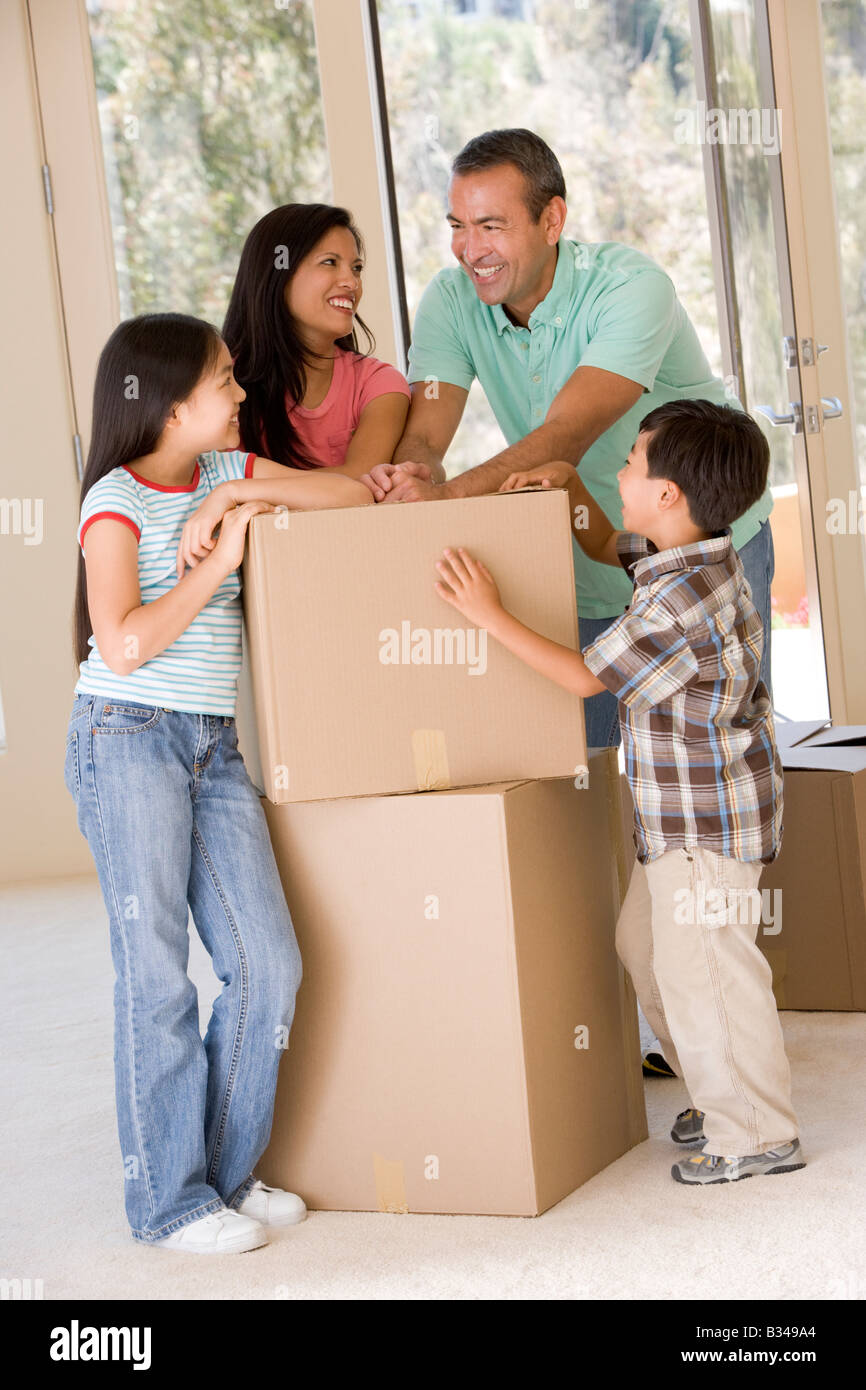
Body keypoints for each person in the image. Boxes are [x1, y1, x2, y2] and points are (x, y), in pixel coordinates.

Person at [433, 398, 804, 1184]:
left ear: (668, 495)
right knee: (648, 952)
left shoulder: (681, 603)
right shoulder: (688, 555)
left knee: (709, 975)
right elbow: (610, 543)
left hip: (707, 830)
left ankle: (758, 1132)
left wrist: (486, 614)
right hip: (681, 822)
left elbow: (581, 675)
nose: (622, 470)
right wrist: (569, 483)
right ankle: (717, 1087)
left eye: (631, 462)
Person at [65, 312, 372, 1252]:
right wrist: (220, 565)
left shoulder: (228, 475)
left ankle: (225, 1178)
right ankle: (168, 1203)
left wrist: (238, 507)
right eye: (225, 381)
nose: (242, 393)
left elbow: (356, 496)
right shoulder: (113, 502)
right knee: (157, 979)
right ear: (166, 404)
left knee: (268, 966)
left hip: (212, 746)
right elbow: (121, 645)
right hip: (126, 740)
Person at [360, 128, 775, 751]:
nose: (470, 250)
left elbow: (566, 435)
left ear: (552, 219)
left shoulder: (631, 290)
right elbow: (424, 434)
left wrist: (447, 502)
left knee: (715, 750)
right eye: (458, 225)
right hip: (603, 550)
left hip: (705, 549)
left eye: (491, 226)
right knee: (602, 775)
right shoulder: (451, 302)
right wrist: (419, 474)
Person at [223, 202, 411, 477]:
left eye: (356, 268)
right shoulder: (220, 386)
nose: (352, 282)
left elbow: (360, 486)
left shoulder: (381, 385)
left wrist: (246, 486)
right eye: (330, 262)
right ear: (278, 273)